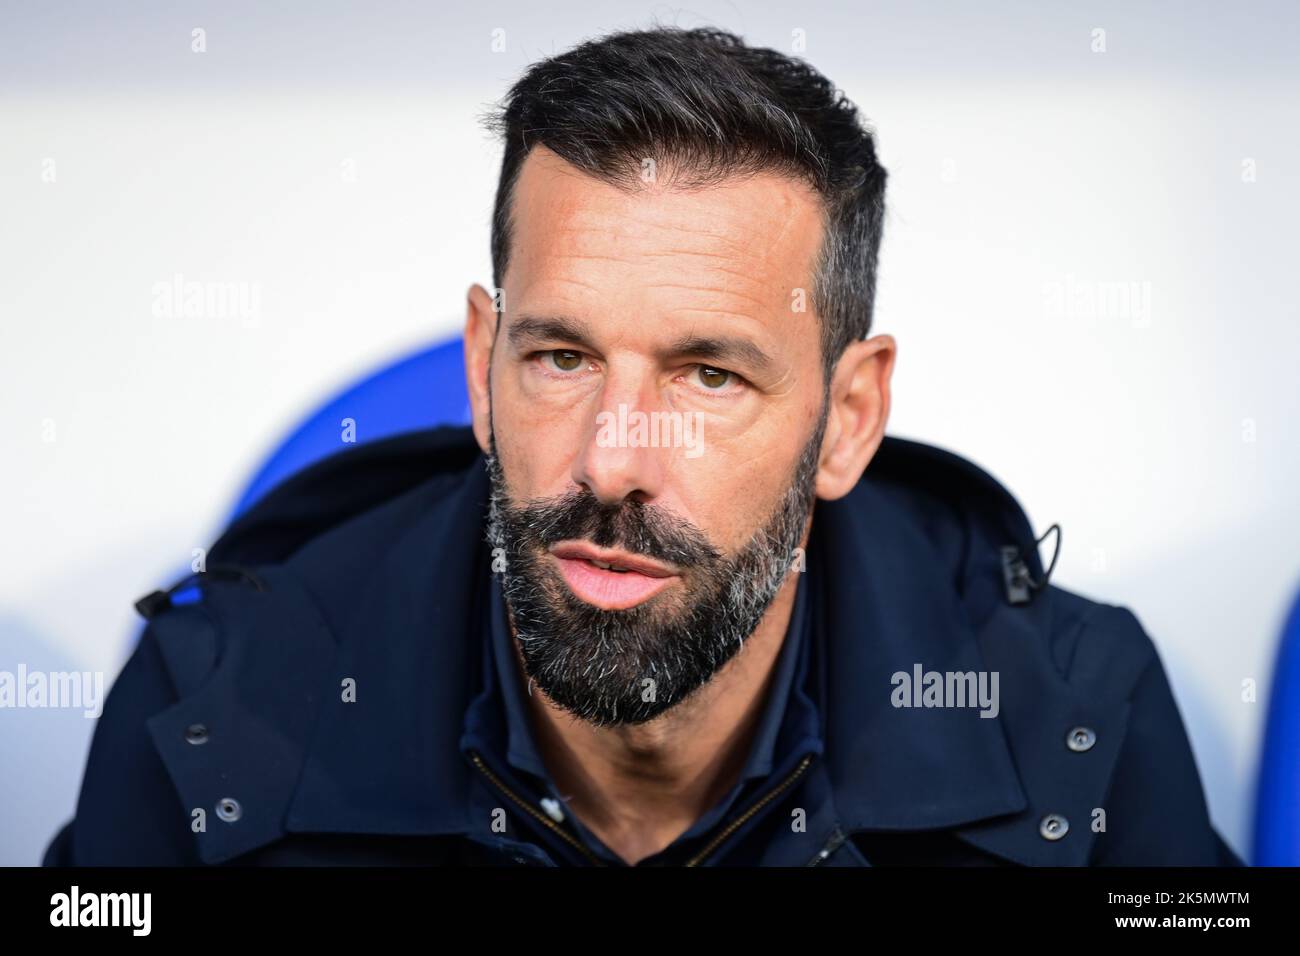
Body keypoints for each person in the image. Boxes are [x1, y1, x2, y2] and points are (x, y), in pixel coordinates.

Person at [43, 26, 1240, 867]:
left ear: (849, 417)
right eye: (561, 358)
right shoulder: (215, 698)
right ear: (482, 363)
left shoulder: (1074, 716)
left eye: (708, 375)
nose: (612, 461)